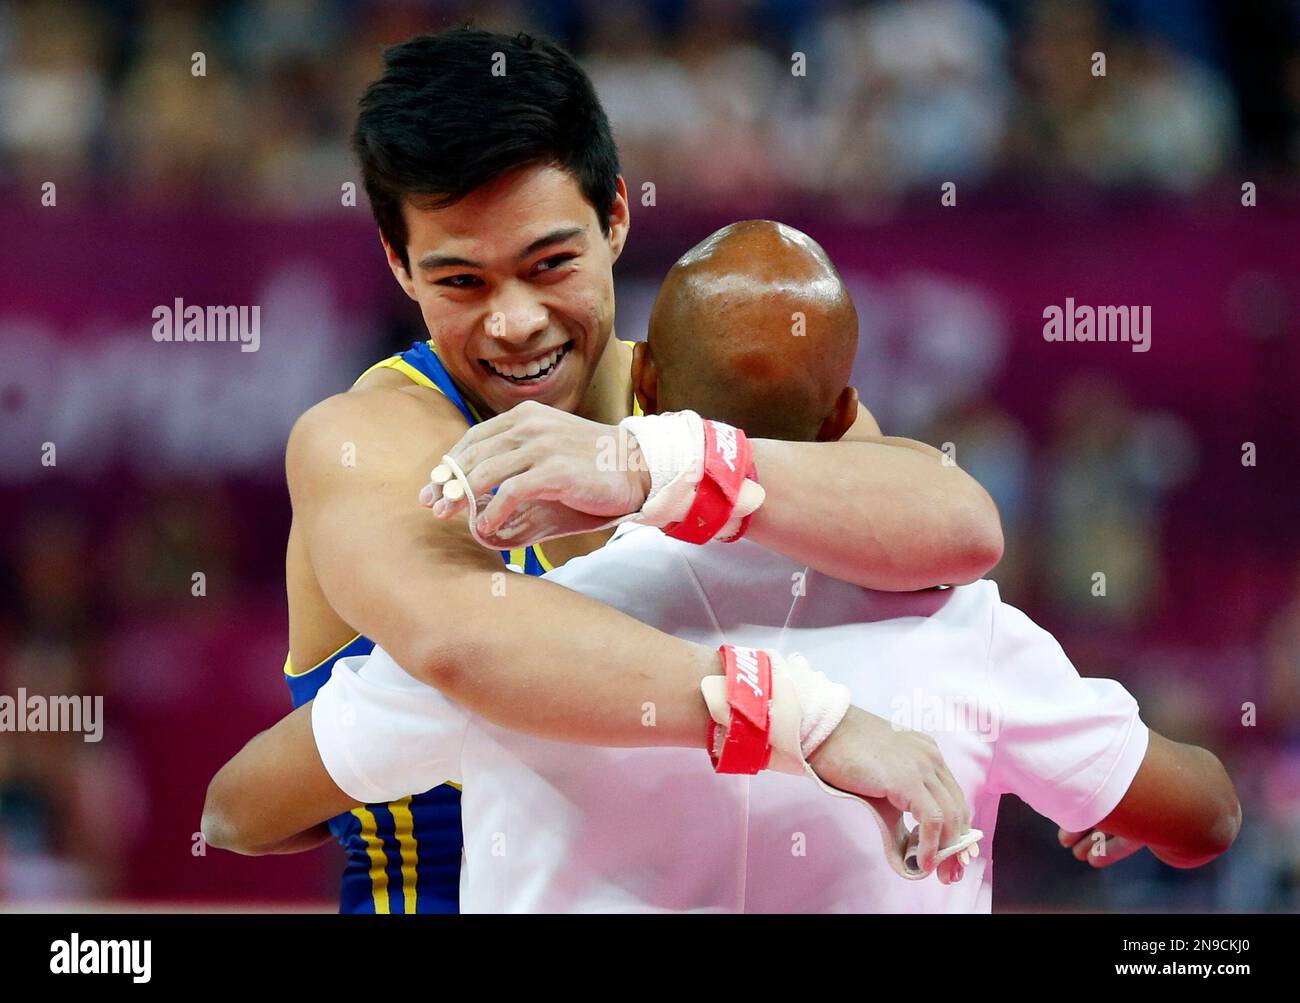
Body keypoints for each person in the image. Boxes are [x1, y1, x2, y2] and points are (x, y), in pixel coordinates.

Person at [205, 221, 1239, 912]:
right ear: (847, 416)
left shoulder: (536, 639)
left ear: (641, 385)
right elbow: (1204, 817)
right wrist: (1108, 799)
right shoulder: (972, 638)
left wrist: (447, 769)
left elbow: (239, 810)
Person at [213, 27, 1004, 914]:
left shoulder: (710, 399)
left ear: (617, 217)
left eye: (550, 265)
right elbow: (466, 647)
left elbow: (959, 526)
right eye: (462, 284)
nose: (515, 323)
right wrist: (811, 722)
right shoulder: (366, 441)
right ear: (400, 265)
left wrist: (654, 465)